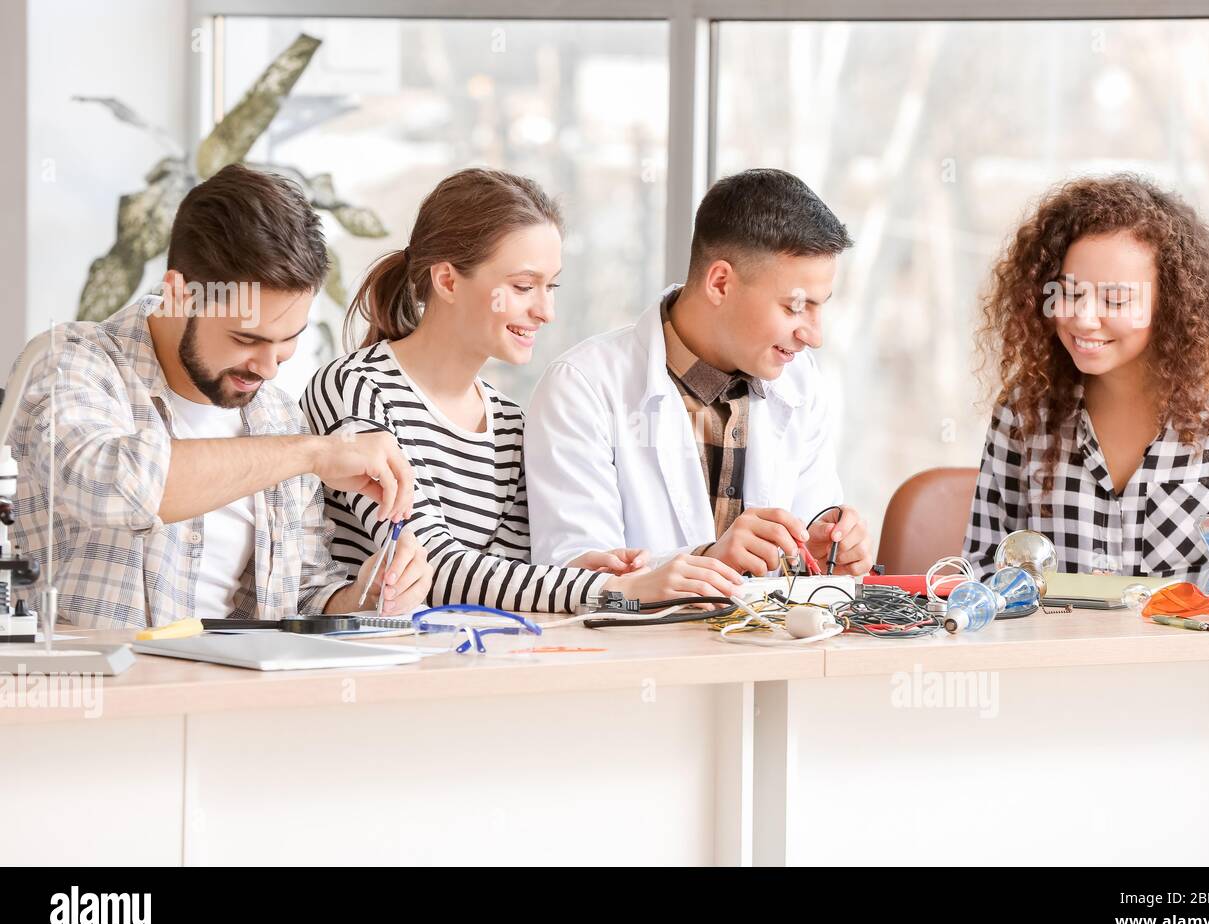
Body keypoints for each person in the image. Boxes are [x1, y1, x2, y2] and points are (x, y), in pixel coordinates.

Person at [8, 164, 432, 628]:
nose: (269, 368)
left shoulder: (278, 417)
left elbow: (304, 593)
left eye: (289, 338)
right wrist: (313, 453)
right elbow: (113, 486)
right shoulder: (69, 361)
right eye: (247, 339)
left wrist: (367, 594)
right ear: (178, 295)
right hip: (108, 690)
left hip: (234, 694)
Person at [301, 168, 743, 611]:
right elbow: (428, 567)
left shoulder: (511, 423)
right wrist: (618, 591)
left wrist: (582, 573)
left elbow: (505, 584)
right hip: (373, 666)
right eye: (523, 287)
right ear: (448, 281)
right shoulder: (354, 389)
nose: (545, 311)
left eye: (550, 287)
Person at [525, 168, 872, 577]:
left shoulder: (800, 382)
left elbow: (808, 559)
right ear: (721, 283)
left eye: (820, 305)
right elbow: (570, 577)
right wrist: (708, 558)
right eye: (795, 307)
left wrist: (824, 554)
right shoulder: (582, 387)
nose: (814, 336)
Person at [963, 173, 1209, 589]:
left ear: (1171, 304)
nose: (1084, 317)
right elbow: (981, 567)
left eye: (1115, 299)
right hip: (1063, 653)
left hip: (1196, 653)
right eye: (1069, 292)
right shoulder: (1026, 408)